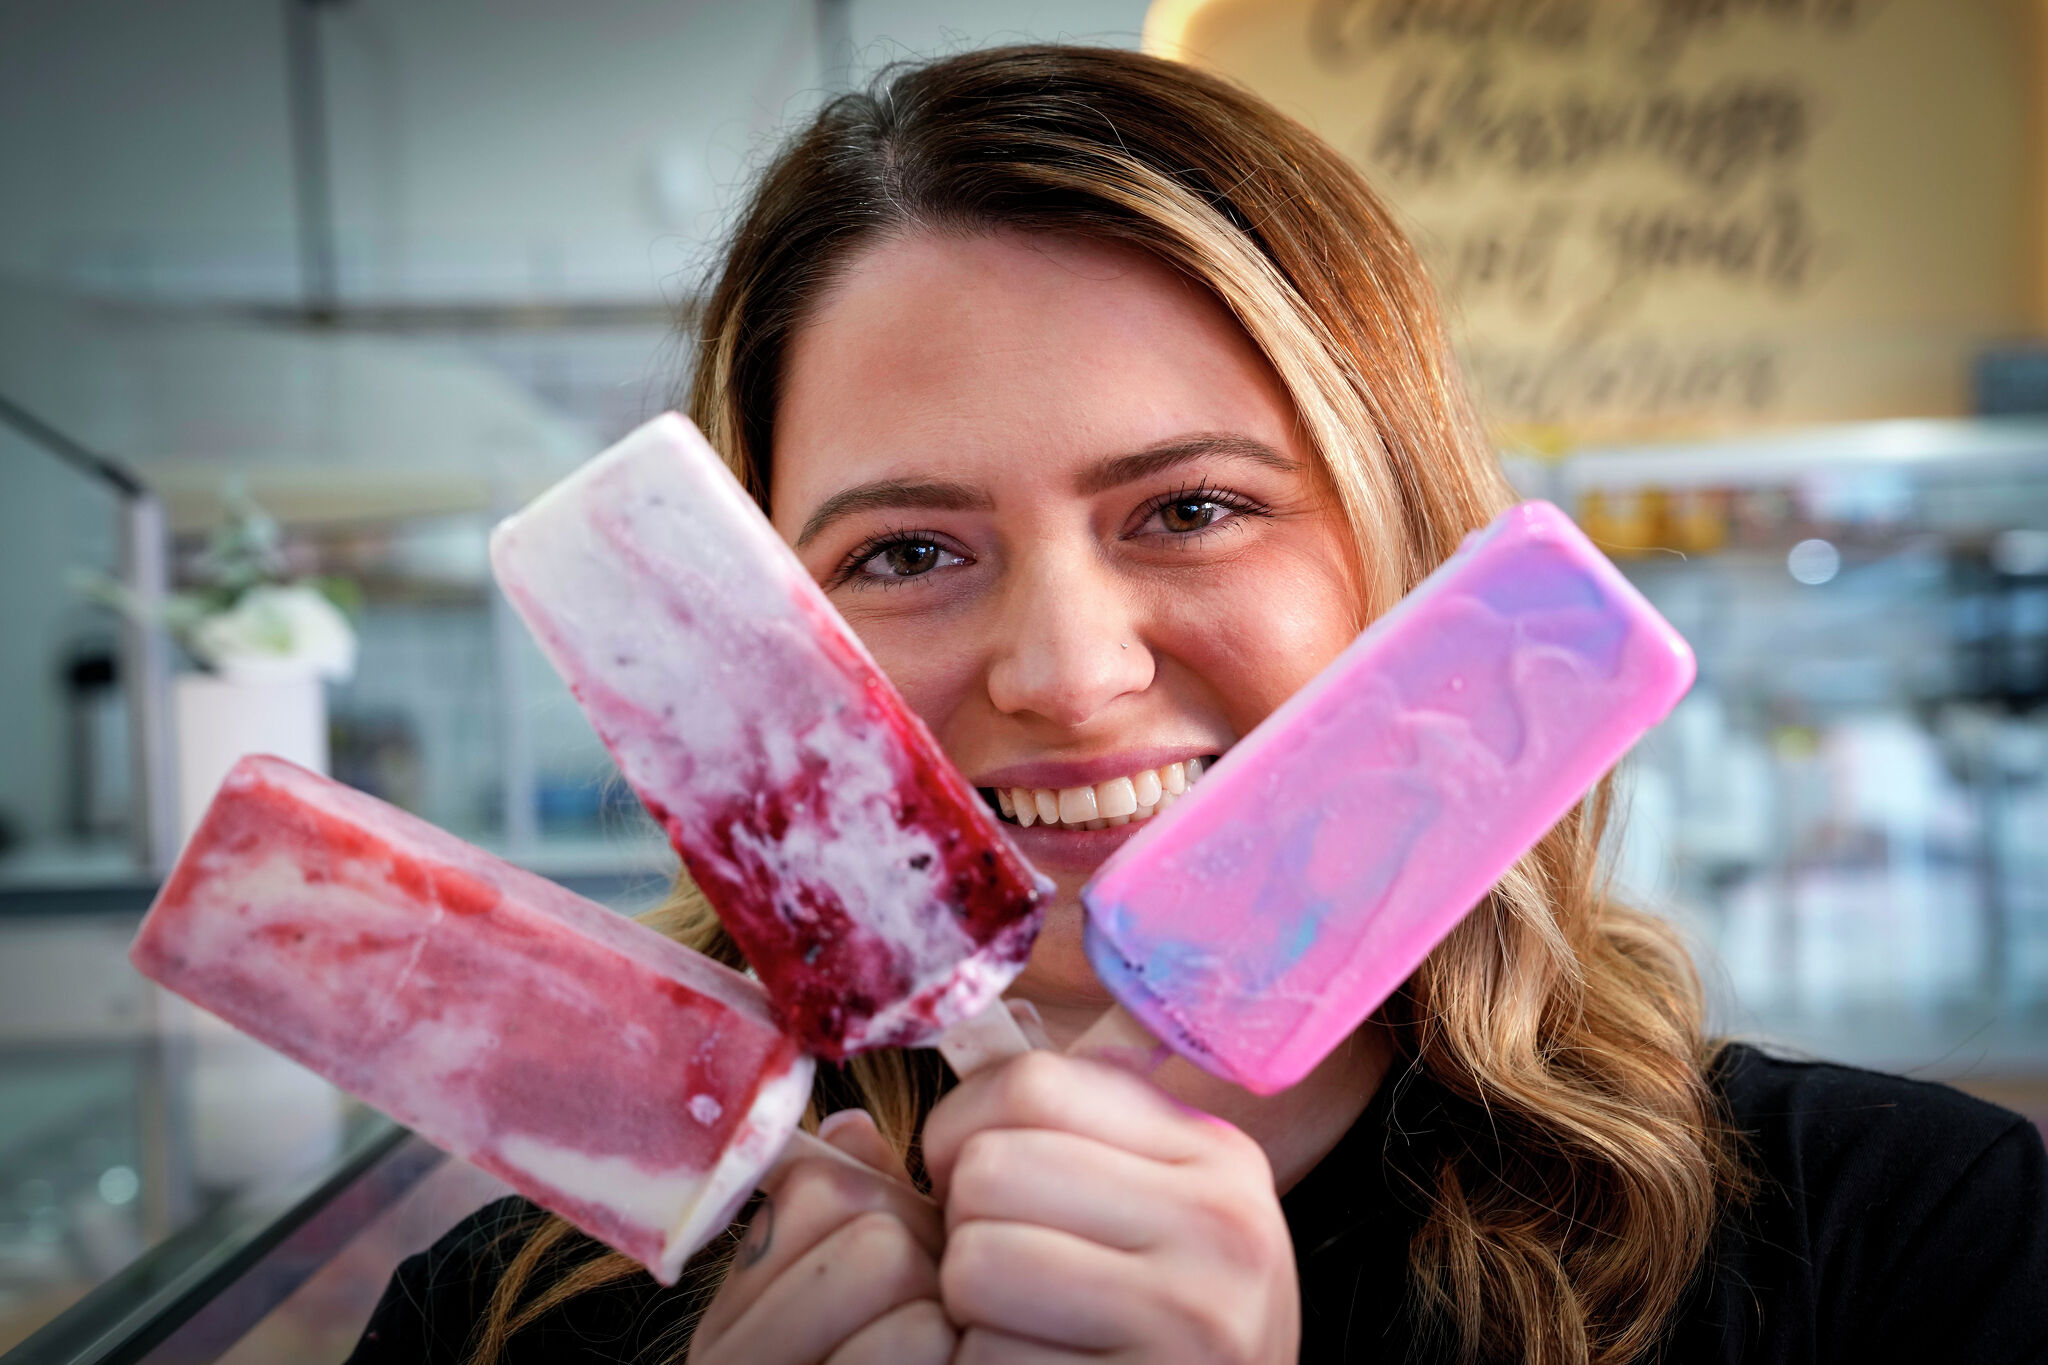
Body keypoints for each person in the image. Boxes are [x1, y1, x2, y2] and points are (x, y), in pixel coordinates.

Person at [348, 44, 2048, 1365]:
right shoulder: (495, 1329)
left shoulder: (1912, 1246)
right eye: (906, 549)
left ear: (1405, 559)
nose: (1064, 670)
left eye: (1193, 507)